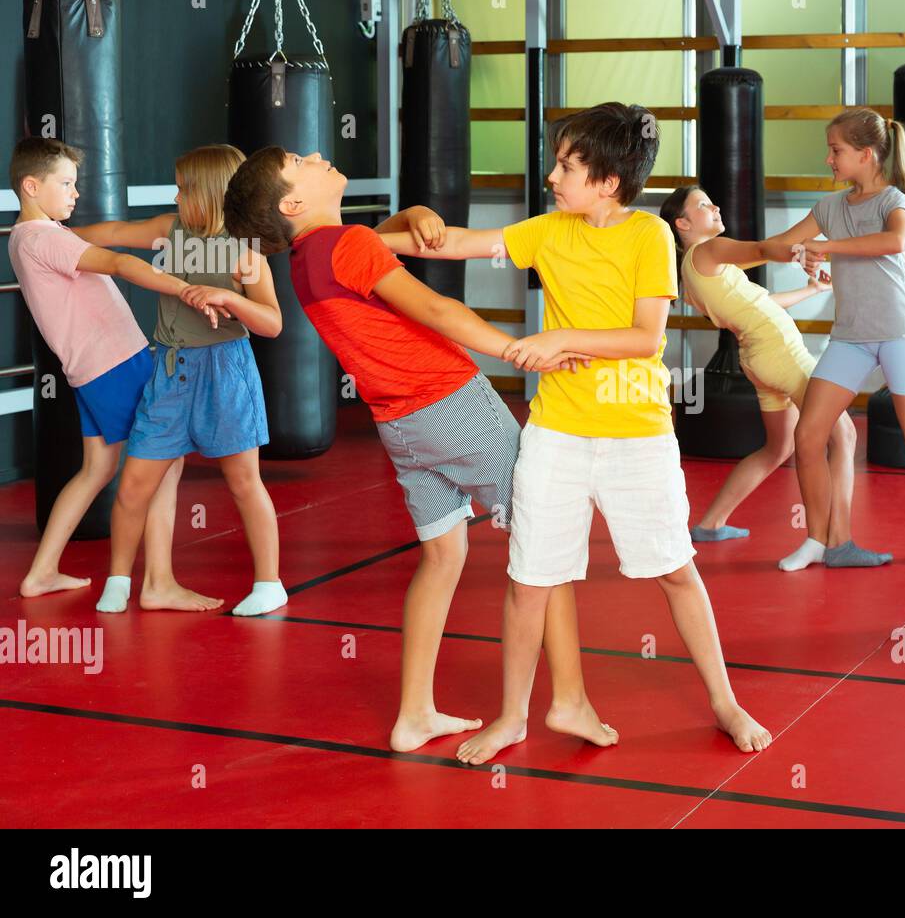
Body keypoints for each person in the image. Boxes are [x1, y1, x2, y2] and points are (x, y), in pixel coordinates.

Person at [412, 103, 772, 764]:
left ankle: (724, 699)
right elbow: (462, 242)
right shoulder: (549, 230)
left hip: (637, 433)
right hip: (556, 431)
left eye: (567, 166)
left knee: (675, 571)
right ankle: (514, 715)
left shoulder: (649, 238)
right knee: (529, 581)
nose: (552, 176)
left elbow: (645, 337)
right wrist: (356, 237)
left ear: (606, 180)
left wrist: (558, 339)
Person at [222, 145, 586, 751]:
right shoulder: (350, 246)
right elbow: (437, 308)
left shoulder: (309, 257)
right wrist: (520, 349)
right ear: (293, 201)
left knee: (443, 558)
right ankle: (569, 701)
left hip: (401, 426)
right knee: (544, 542)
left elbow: (371, 240)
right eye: (299, 159)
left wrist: (413, 209)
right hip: (453, 403)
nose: (316, 153)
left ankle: (414, 713)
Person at [72, 145, 286, 616]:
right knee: (133, 485)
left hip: (225, 371)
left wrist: (226, 299)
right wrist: (58, 235)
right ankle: (120, 581)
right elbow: (112, 233)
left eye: (184, 187)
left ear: (209, 194)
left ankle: (270, 584)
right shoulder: (170, 230)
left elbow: (272, 323)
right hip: (170, 372)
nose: (176, 193)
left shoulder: (246, 251)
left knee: (244, 482)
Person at [9, 136, 217, 609]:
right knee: (166, 463)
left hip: (94, 367)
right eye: (65, 183)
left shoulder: (28, 238)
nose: (75, 193)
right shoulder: (44, 238)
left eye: (76, 184)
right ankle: (159, 583)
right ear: (31, 186)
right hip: (114, 364)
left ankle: (41, 572)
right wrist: (184, 289)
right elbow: (120, 263)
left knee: (97, 468)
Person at [782, 109, 905, 572]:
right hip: (851, 337)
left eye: (836, 151)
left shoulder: (893, 200)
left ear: (865, 154)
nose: (828, 159)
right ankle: (822, 540)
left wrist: (824, 247)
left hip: (901, 333)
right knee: (807, 435)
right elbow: (785, 242)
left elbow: (893, 242)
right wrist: (787, 253)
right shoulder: (829, 207)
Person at [660, 185, 858, 558]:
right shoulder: (709, 250)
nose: (715, 205)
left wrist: (811, 290)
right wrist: (805, 244)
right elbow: (763, 250)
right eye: (704, 204)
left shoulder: (696, 273)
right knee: (843, 435)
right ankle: (837, 542)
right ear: (683, 223)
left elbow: (761, 302)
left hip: (757, 360)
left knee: (777, 447)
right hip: (781, 354)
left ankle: (711, 523)